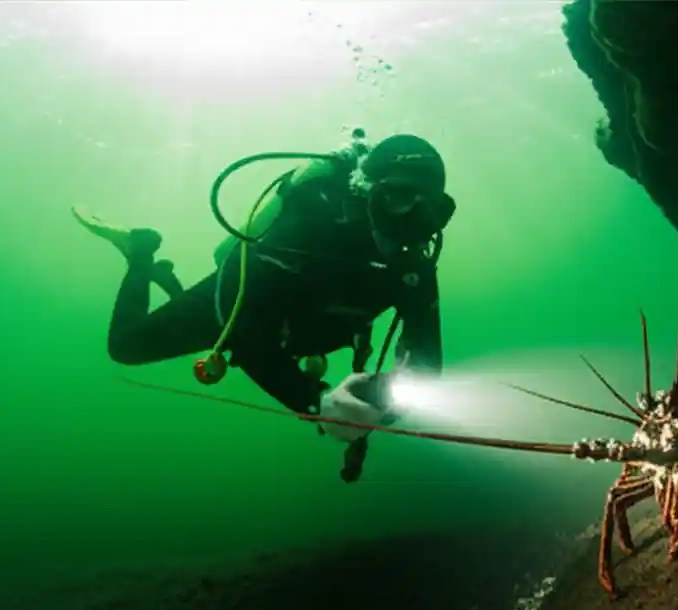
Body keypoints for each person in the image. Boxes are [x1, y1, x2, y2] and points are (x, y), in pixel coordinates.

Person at [73, 133, 456, 448]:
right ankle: (140, 253)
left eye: (433, 209)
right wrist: (317, 401)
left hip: (301, 329)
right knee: (125, 347)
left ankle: (168, 281)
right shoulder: (313, 220)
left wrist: (381, 402)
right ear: (367, 191)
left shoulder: (413, 265)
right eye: (400, 197)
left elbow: (423, 365)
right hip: (235, 304)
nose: (413, 221)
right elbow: (244, 329)